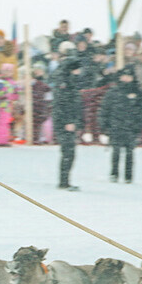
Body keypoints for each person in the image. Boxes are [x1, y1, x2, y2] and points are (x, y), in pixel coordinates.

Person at [98, 64, 142, 183]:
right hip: (116, 126)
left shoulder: (138, 92)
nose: (126, 79)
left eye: (128, 76)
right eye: (124, 76)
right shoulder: (113, 91)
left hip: (131, 127)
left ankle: (128, 176)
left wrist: (138, 125)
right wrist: (104, 125)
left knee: (130, 153)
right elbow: (105, 109)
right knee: (115, 152)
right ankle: (114, 174)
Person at [52, 56, 84, 190]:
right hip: (65, 123)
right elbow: (62, 105)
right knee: (68, 152)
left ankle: (65, 180)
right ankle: (63, 181)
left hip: (68, 121)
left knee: (69, 152)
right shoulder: (65, 84)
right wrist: (68, 121)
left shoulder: (69, 82)